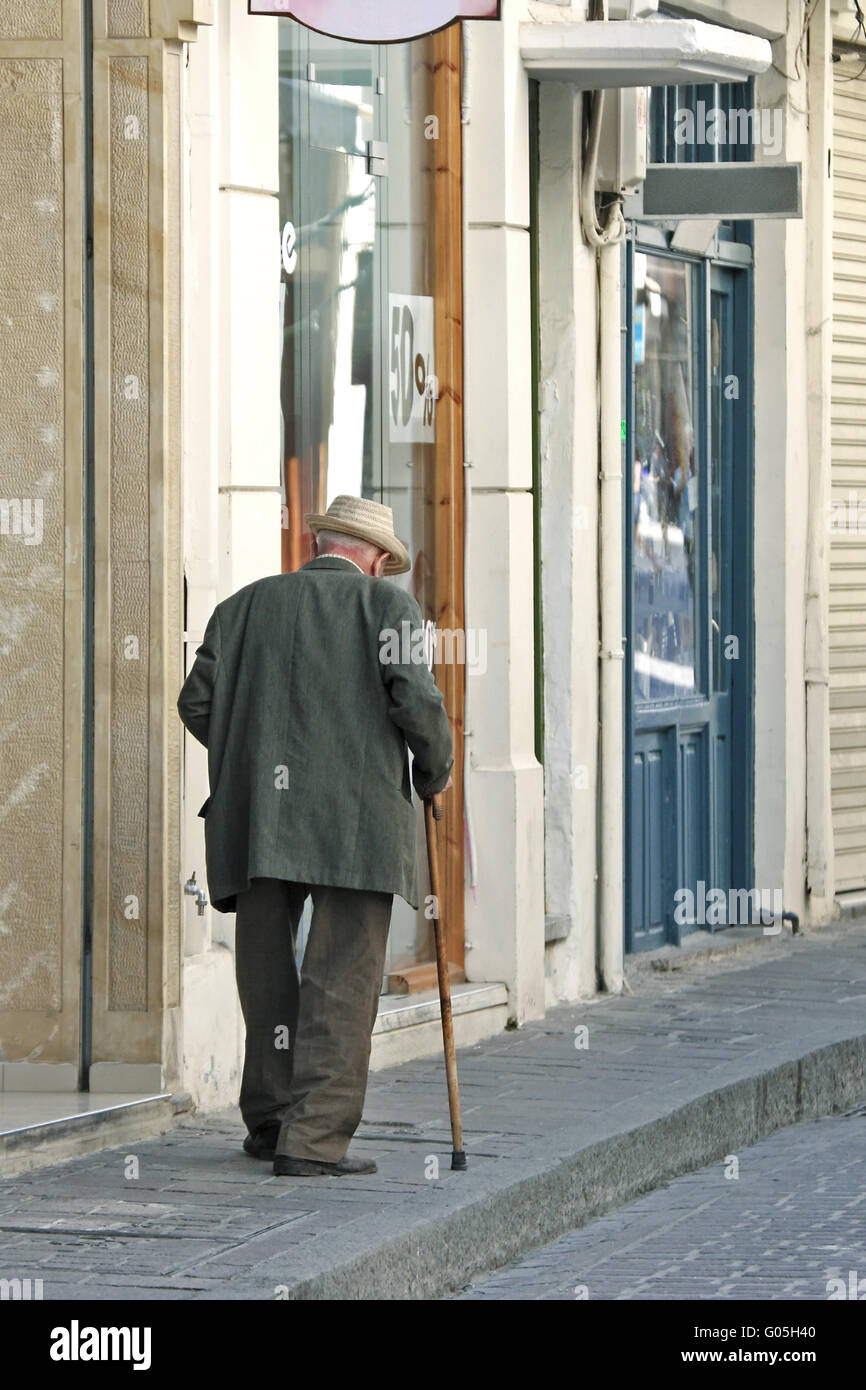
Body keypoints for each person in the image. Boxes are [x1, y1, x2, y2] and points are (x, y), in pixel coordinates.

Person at [177, 495, 454, 1177]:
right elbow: (417, 703)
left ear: (322, 543)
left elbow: (197, 702)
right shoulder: (390, 610)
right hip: (354, 825)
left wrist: (248, 760)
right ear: (379, 559)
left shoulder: (242, 608)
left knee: (266, 976)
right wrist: (434, 770)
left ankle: (271, 1123)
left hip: (261, 821)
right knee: (342, 975)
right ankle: (314, 1140)